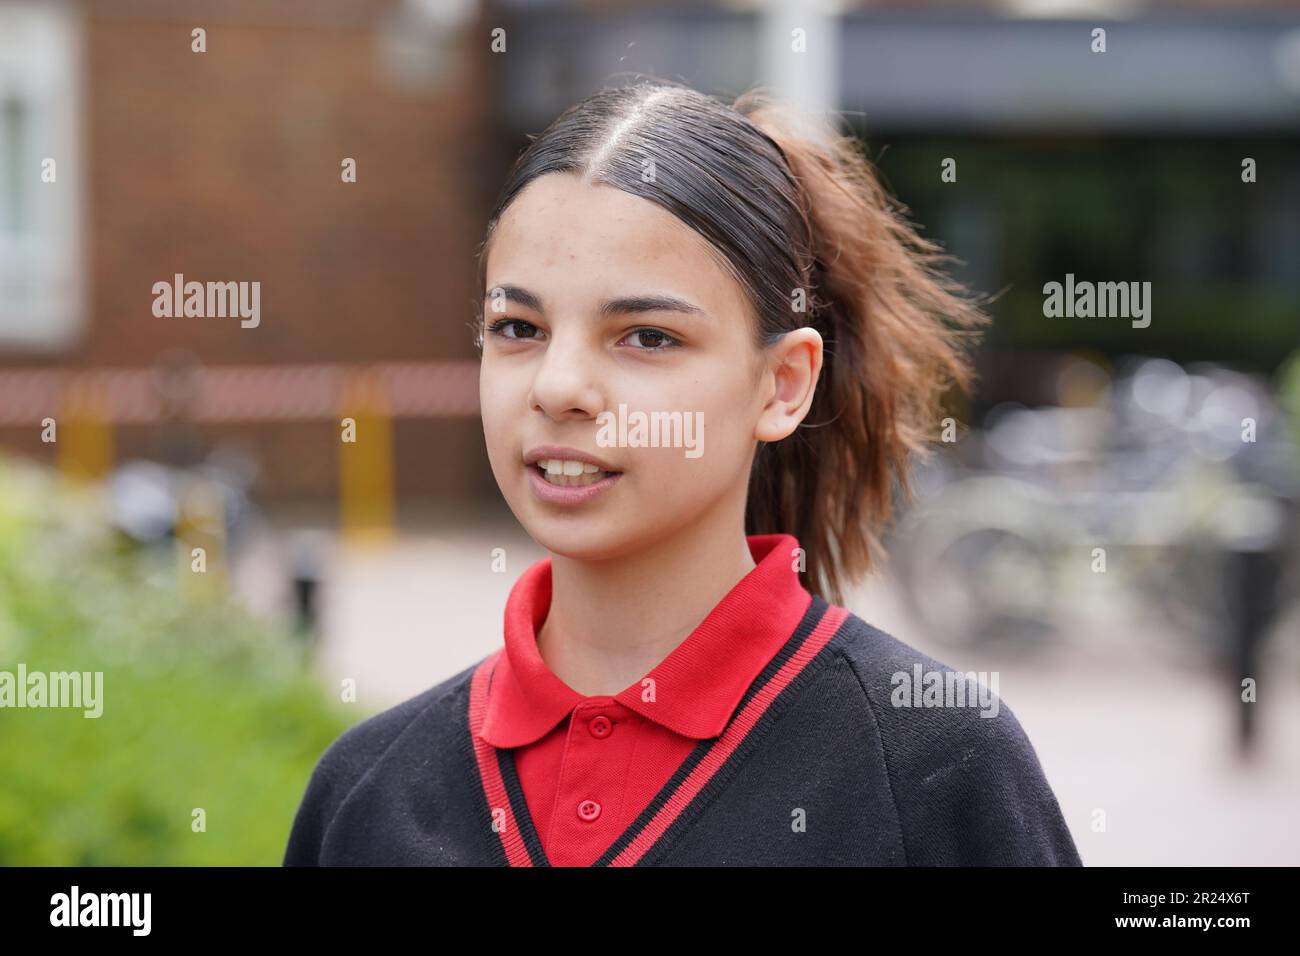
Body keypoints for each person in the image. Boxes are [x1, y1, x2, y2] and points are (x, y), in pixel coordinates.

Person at [283, 78, 1082, 867]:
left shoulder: (937, 769)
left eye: (647, 337)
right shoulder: (365, 795)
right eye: (518, 326)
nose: (558, 387)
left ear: (783, 385)